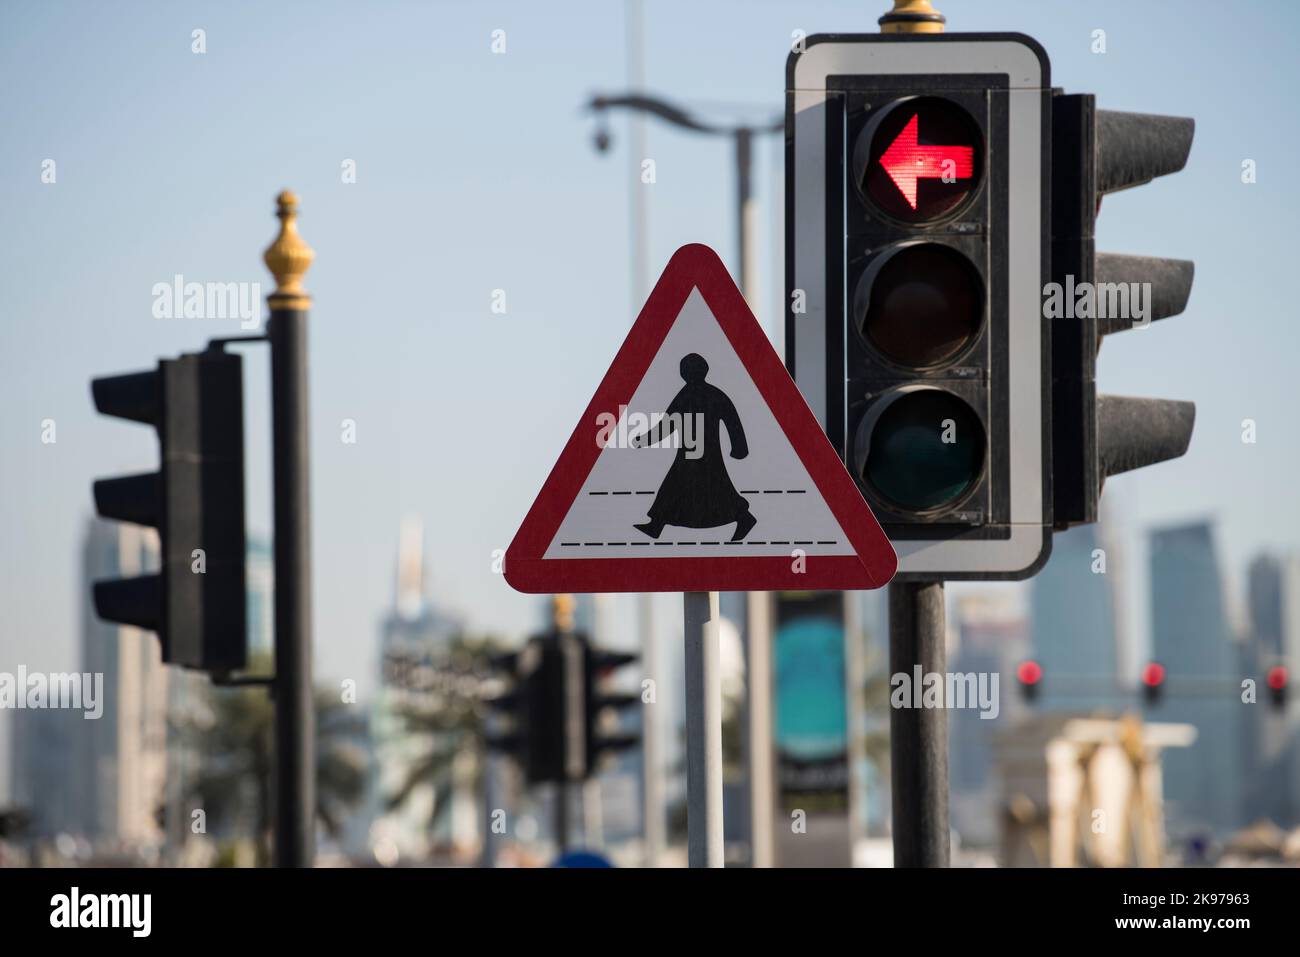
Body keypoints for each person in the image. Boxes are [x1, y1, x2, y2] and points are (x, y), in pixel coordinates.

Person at [631, 353, 757, 542]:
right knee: (677, 487)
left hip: (701, 454)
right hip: (693, 452)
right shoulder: (707, 394)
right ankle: (656, 525)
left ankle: (744, 518)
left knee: (713, 488)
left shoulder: (690, 394)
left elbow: (667, 425)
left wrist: (644, 440)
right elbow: (669, 424)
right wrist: (739, 448)